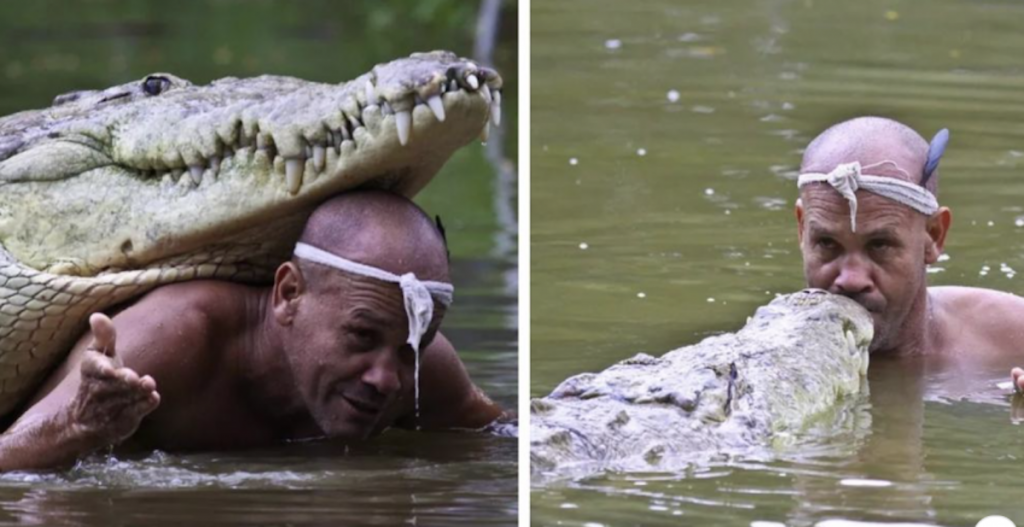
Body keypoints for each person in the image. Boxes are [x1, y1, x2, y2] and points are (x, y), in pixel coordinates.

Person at [0, 190, 506, 471]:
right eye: (361, 337)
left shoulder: (420, 369)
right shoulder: (172, 340)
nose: (387, 379)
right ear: (288, 295)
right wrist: (75, 425)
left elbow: (508, 441)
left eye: (411, 350)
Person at [793, 116, 1024, 389]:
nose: (851, 279)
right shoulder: (766, 354)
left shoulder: (1014, 338)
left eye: (879, 245)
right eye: (827, 243)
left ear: (934, 236)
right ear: (802, 229)